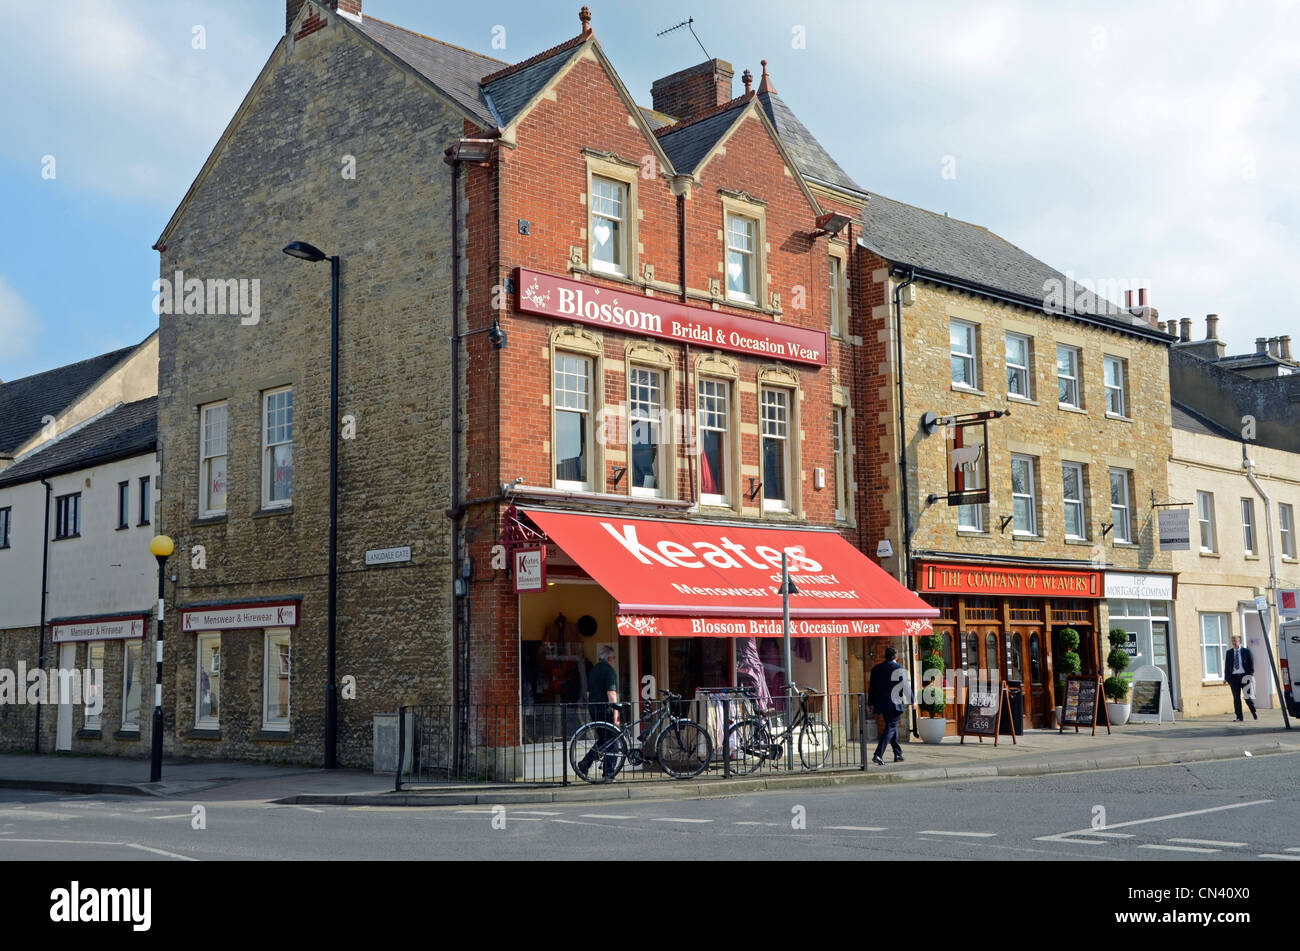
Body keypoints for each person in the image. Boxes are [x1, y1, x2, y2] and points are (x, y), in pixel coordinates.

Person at [578, 644, 621, 779]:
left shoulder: (595, 669)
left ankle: (585, 763)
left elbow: (589, 692)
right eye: (613, 658)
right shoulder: (609, 671)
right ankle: (608, 773)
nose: (613, 660)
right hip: (605, 709)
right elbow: (611, 693)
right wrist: (616, 713)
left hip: (594, 708)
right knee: (614, 741)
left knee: (603, 739)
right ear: (609, 658)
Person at [868, 646, 911, 765]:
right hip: (895, 704)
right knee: (891, 728)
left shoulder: (876, 669)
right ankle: (878, 754)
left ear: (885, 656)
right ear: (895, 656)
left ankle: (898, 754)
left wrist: (870, 703)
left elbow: (872, 688)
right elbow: (906, 686)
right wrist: (913, 701)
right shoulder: (899, 668)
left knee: (891, 727)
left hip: (881, 704)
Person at [1224, 634, 1258, 721]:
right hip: (1234, 678)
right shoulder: (1229, 653)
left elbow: (1251, 664)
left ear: (1240, 642)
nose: (1234, 643)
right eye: (1233, 641)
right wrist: (1227, 678)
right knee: (1236, 698)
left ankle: (1253, 712)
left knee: (1247, 697)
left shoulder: (1246, 651)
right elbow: (1227, 666)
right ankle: (1239, 717)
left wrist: (1249, 675)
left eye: (1236, 641)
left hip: (1244, 677)